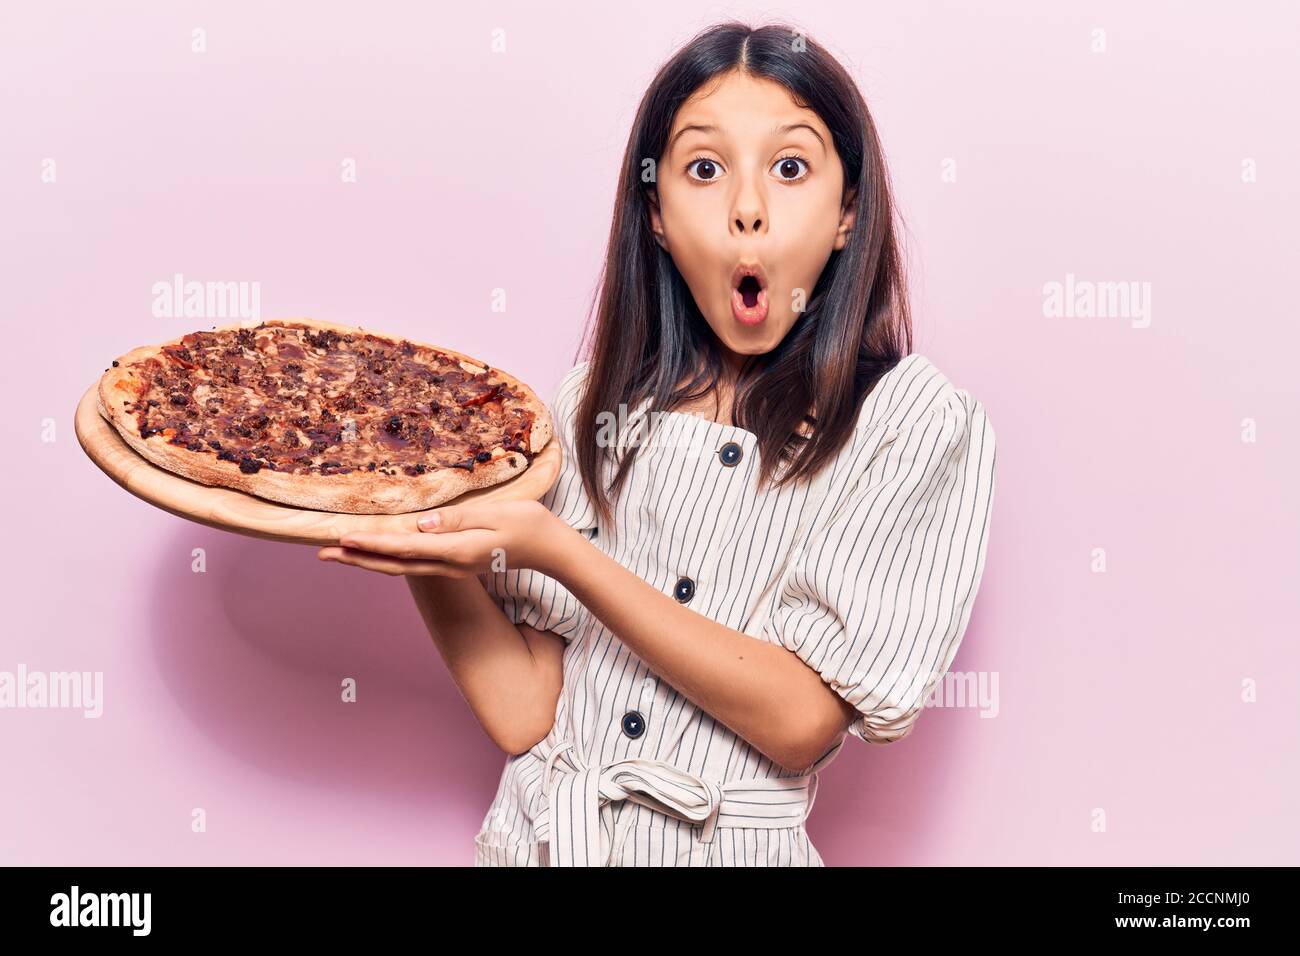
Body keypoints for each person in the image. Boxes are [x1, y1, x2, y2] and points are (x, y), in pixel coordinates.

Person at [318, 21, 997, 867]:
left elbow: (799, 720)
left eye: (790, 167)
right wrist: (424, 530)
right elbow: (526, 711)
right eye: (704, 169)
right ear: (658, 215)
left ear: (847, 214)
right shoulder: (592, 404)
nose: (747, 207)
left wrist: (563, 554)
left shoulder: (912, 424)